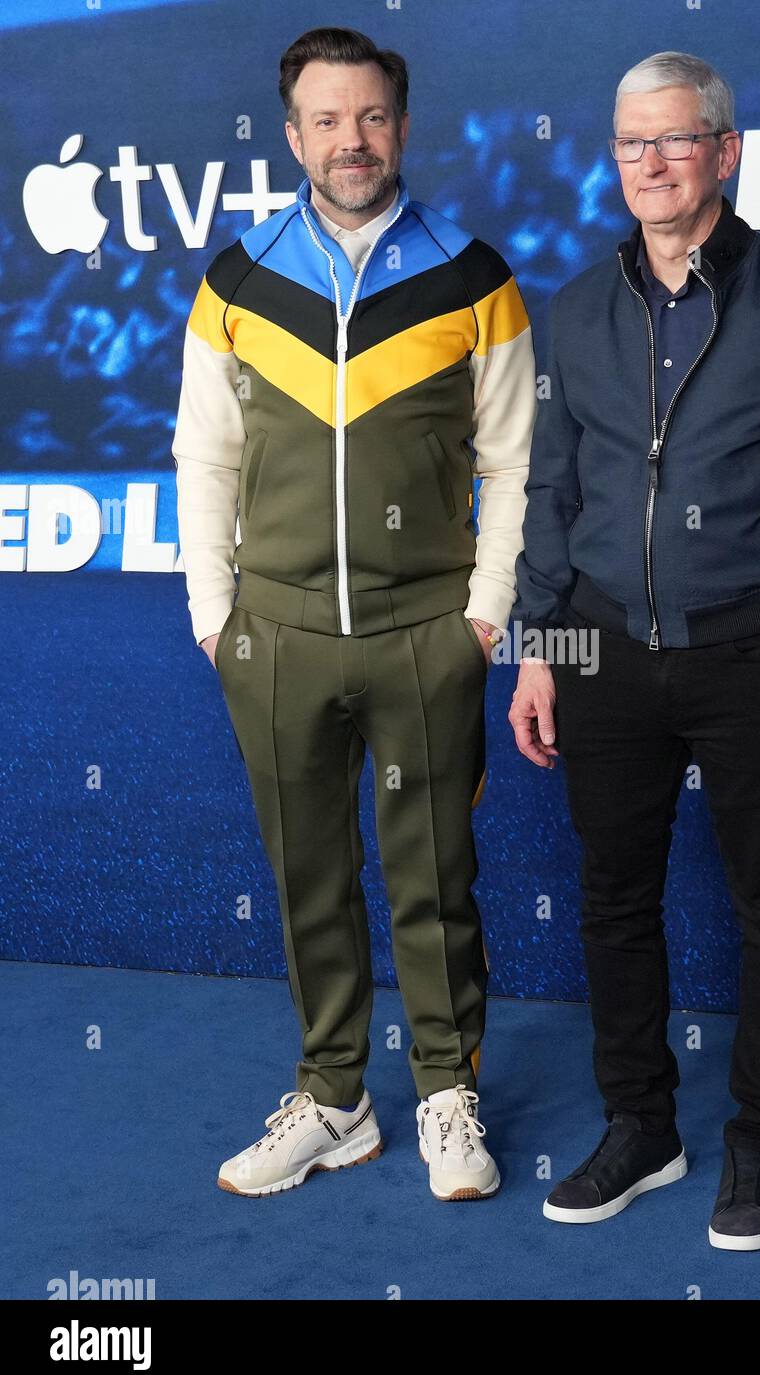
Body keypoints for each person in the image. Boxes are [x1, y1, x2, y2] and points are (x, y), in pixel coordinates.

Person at [508, 50, 760, 1249]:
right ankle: (641, 1125)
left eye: (673, 141)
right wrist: (539, 647)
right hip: (602, 653)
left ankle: (756, 1140)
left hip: (758, 655)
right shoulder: (573, 310)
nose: (649, 163)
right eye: (630, 143)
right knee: (611, 897)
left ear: (724, 152)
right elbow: (549, 493)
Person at [173, 27, 536, 1201]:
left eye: (371, 117)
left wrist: (481, 617)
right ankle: (334, 1098)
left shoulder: (473, 278)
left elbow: (516, 464)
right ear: (291, 137)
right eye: (325, 121)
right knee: (307, 876)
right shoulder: (237, 281)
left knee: (434, 874)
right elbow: (203, 459)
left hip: (425, 632)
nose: (351, 141)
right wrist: (214, 616)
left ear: (403, 126)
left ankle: (444, 1093)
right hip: (270, 635)